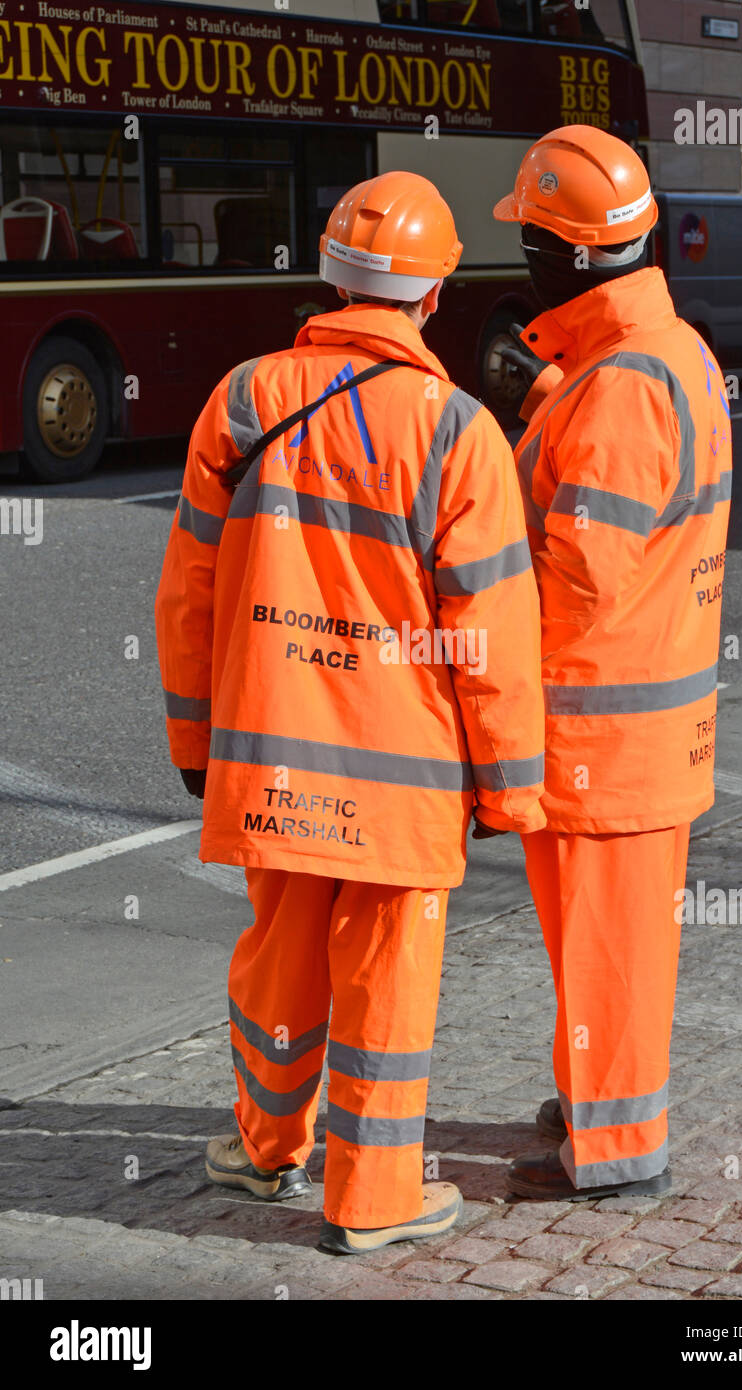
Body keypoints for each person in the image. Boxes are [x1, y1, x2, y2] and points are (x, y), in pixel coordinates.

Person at [154, 171, 546, 1253]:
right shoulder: (458, 433)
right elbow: (493, 635)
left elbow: (186, 589)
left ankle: (262, 1148)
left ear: (328, 282)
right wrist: (509, 784)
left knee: (280, 950)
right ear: (430, 301)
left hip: (272, 753)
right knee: (386, 972)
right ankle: (373, 1197)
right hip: (402, 770)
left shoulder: (241, 399)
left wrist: (195, 738)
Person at [492, 127, 732, 1200]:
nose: (522, 256)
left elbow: (577, 571)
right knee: (598, 947)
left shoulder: (624, 382)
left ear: (572, 257)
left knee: (611, 956)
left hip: (605, 735)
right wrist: (546, 398)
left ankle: (616, 1148)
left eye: (533, 238)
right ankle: (593, 1102)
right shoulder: (638, 357)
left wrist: (474, 650)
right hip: (622, 729)